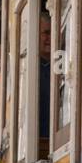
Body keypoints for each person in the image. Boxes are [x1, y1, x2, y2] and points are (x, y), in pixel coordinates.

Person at [38, 12, 51, 142]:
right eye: (46, 33)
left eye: (53, 32)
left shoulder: (64, 66)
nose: (50, 38)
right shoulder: (29, 70)